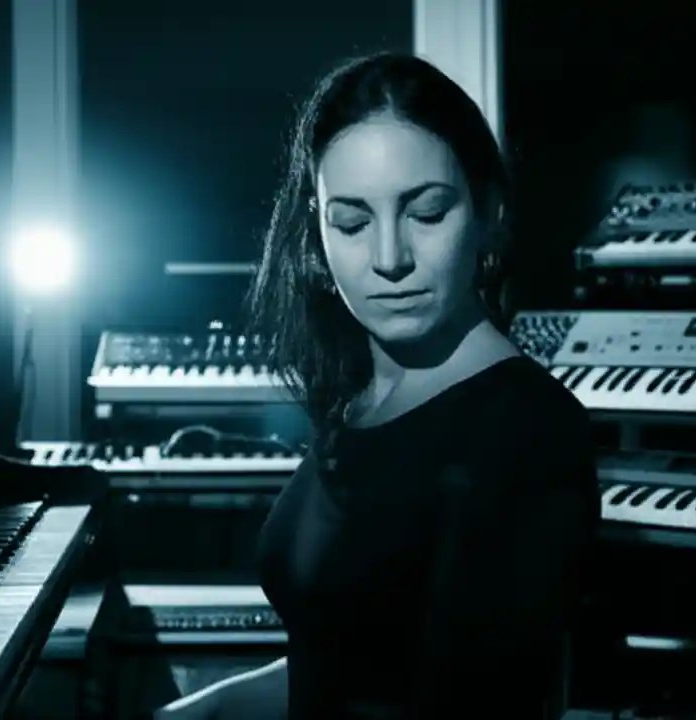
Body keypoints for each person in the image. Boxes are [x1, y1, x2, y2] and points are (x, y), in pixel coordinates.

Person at [156, 51, 599, 719]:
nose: (390, 259)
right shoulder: (360, 395)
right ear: (316, 238)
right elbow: (344, 667)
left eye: (426, 212)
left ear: (487, 213)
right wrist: (205, 712)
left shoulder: (527, 431)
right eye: (354, 223)